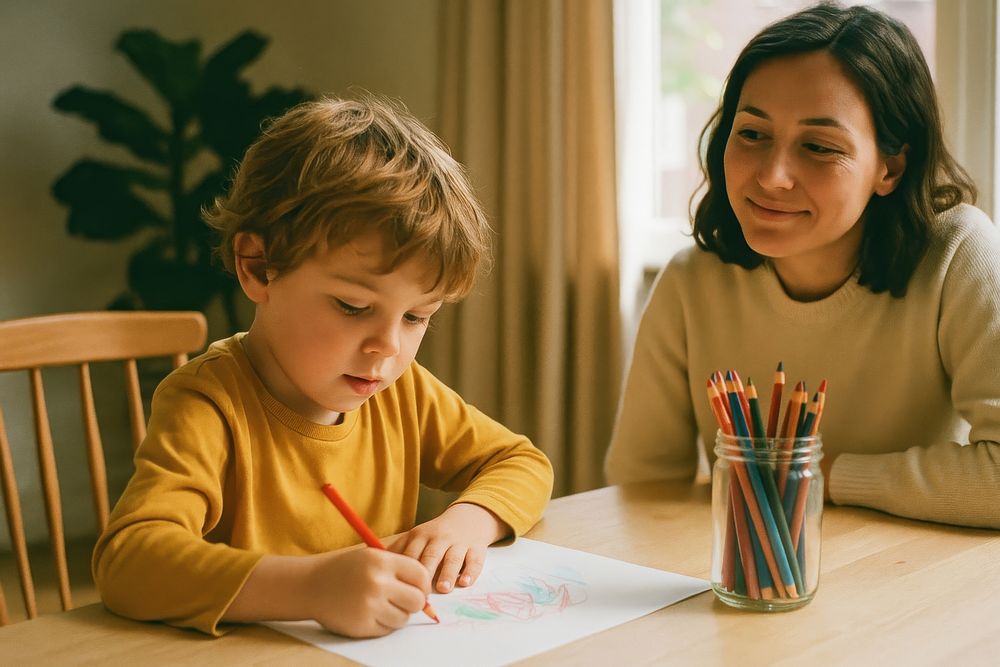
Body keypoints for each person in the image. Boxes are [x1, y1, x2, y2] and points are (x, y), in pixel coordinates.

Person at [93, 95, 554, 637]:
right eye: (353, 308)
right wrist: (310, 588)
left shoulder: (399, 393)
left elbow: (521, 462)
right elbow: (130, 561)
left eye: (416, 317)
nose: (387, 346)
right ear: (260, 269)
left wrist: (467, 523)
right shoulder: (209, 403)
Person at [605, 2, 1000, 529]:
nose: (772, 176)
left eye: (818, 146)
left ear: (891, 166)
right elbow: (642, 491)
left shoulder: (958, 252)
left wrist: (821, 476)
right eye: (751, 134)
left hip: (917, 587)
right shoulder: (690, 282)